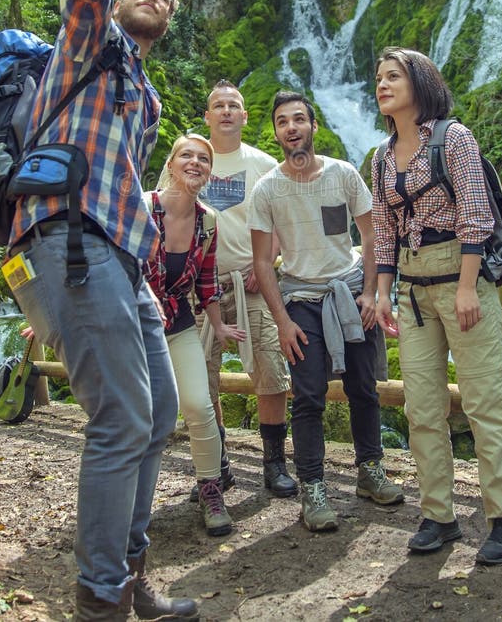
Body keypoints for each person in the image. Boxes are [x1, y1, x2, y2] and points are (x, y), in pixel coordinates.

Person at [6, 0, 199, 621]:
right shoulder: (89, 39)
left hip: (122, 262)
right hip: (67, 248)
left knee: (155, 419)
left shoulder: (145, 99)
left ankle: (126, 569)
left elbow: (136, 195)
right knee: (122, 421)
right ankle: (100, 599)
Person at [372, 46, 502, 565]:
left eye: (393, 75)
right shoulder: (380, 156)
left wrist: (466, 286)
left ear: (419, 82)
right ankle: (438, 514)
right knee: (422, 407)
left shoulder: (454, 138)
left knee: (484, 401)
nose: (382, 84)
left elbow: (476, 214)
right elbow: (386, 233)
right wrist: (383, 292)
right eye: (378, 78)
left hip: (464, 283)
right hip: (413, 291)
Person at [248, 90, 404, 532]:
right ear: (276, 131)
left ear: (314, 127)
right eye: (283, 121)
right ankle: (313, 488)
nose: (292, 127)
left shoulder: (344, 174)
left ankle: (370, 471)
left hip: (352, 292)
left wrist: (372, 293)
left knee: (363, 388)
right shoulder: (268, 190)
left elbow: (372, 237)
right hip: (301, 301)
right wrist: (282, 322)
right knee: (309, 395)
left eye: (299, 119)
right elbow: (262, 262)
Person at [196, 80, 297, 499]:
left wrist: (268, 260)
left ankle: (274, 462)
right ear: (207, 117)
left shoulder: (262, 164)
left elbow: (283, 216)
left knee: (272, 374)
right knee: (203, 381)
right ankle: (216, 464)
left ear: (244, 115)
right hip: (200, 289)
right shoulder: (190, 158)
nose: (225, 111)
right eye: (217, 105)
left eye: (232, 105)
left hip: (251, 283)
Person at [143, 133, 246, 537]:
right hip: (136, 324)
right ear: (170, 164)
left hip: (178, 320)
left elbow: (205, 282)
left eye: (203, 158)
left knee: (200, 408)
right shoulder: (142, 209)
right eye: (186, 155)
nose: (196, 162)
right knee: (146, 414)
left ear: (209, 171)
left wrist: (218, 325)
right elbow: (114, 263)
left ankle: (211, 489)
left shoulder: (208, 220)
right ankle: (132, 501)